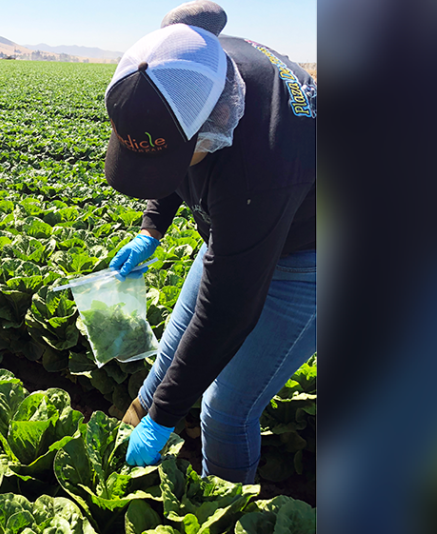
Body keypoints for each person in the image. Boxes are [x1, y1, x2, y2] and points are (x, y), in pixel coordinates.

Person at [105, 0, 316, 484]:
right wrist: (151, 228)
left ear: (214, 123)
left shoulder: (262, 163)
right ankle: (117, 473)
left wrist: (163, 419)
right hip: (241, 227)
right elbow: (164, 158)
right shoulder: (187, 63)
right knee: (165, 370)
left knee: (224, 411)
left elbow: (229, 310)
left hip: (311, 256)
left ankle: (222, 506)